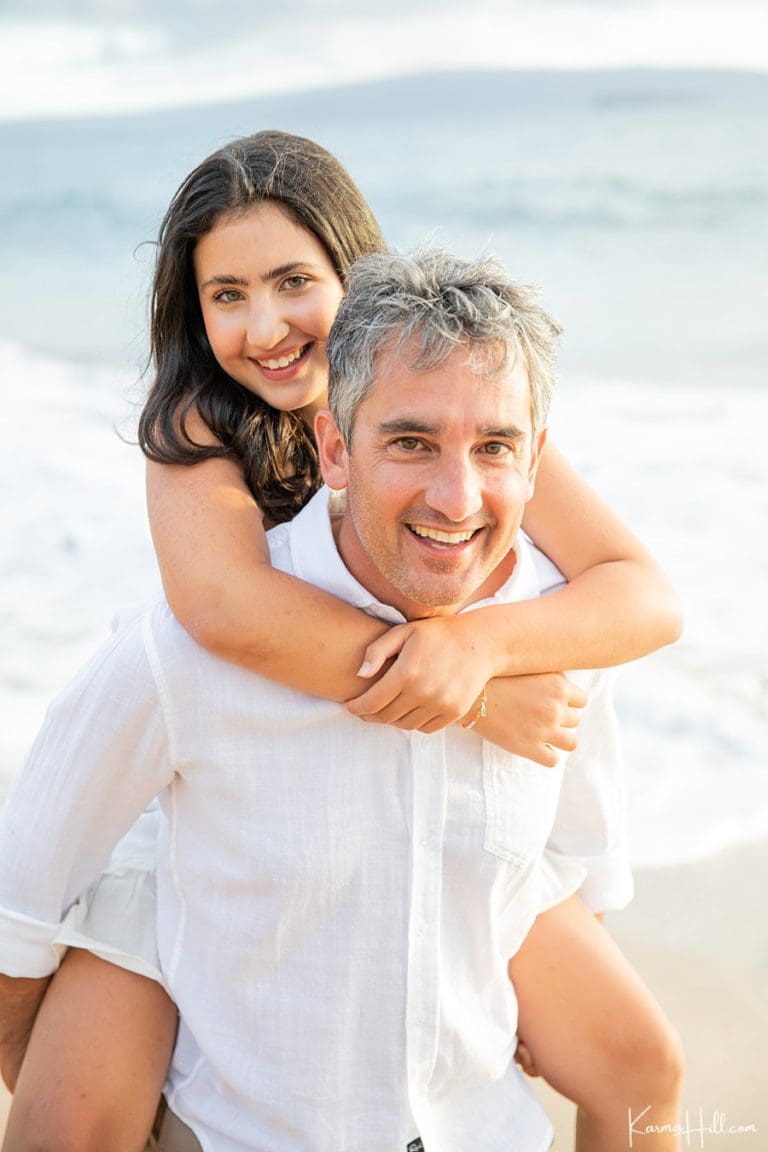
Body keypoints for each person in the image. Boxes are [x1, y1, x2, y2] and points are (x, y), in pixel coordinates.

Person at [0, 132, 682, 1151]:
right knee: (72, 1112)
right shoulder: (197, 424)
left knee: (641, 1066)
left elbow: (641, 595)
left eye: (291, 282)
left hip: (426, 791)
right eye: (226, 295)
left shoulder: (452, 401)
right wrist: (474, 693)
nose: (265, 326)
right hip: (216, 798)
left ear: (354, 276)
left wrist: (491, 647)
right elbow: (227, 612)